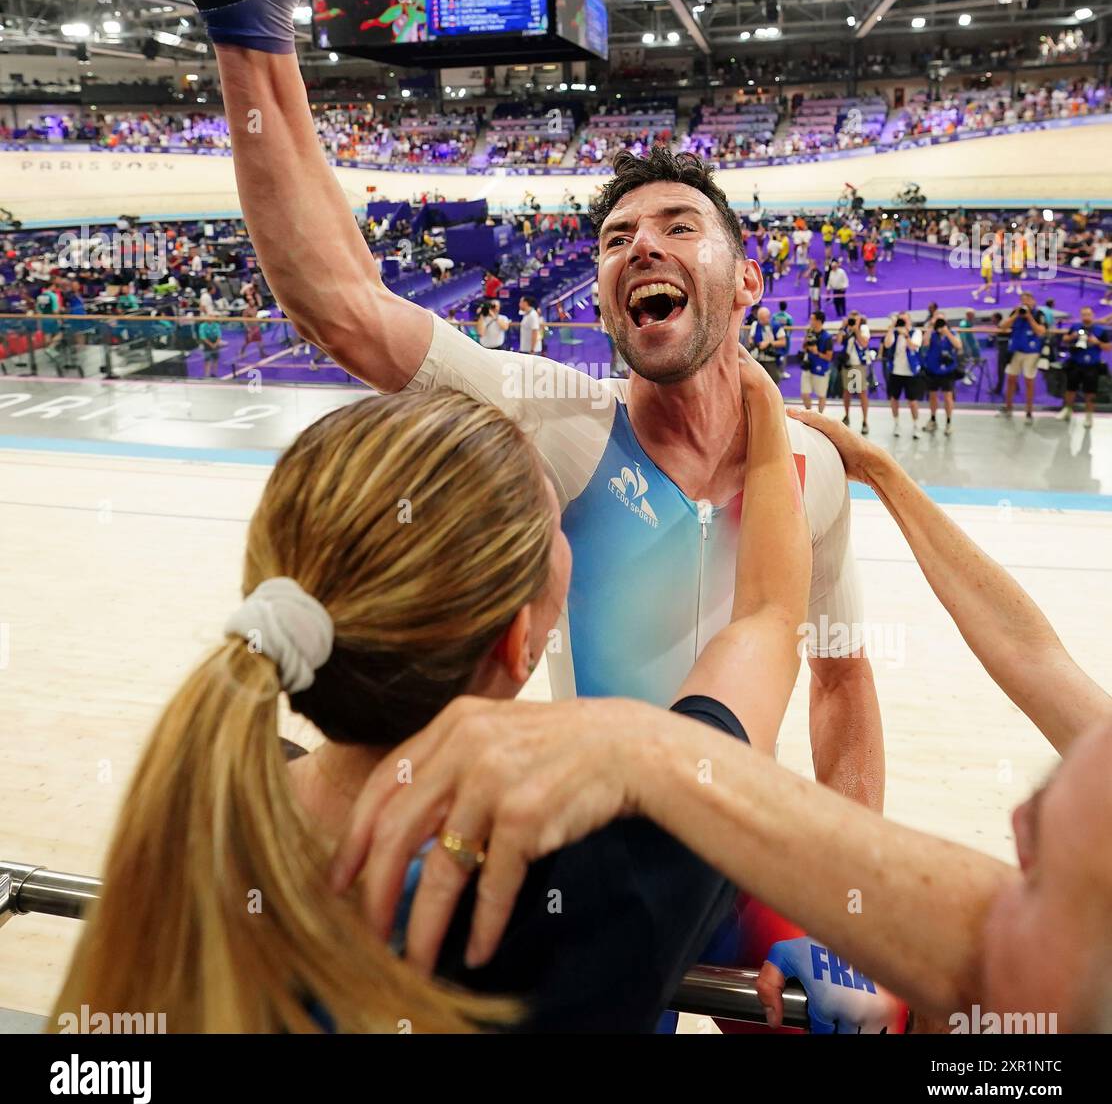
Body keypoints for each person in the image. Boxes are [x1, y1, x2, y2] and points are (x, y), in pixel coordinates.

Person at [176, 0, 884, 821]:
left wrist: (848, 894)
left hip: (738, 874)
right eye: (616, 238)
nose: (642, 245)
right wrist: (254, 41)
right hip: (592, 866)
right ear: (601, 294)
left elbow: (840, 680)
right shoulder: (561, 425)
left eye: (679, 224)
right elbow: (344, 308)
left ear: (749, 281)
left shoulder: (819, 472)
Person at [53, 376, 816, 1033]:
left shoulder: (217, 796)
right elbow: (767, 618)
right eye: (558, 527)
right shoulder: (606, 874)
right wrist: (767, 412)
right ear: (519, 644)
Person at [340, 411, 1112, 1036]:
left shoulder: (234, 809)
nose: (1014, 826)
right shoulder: (632, 874)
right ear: (520, 641)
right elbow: (775, 617)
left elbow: (348, 310)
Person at [1056, 307, 1110, 427]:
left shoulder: (1100, 330)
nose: (1086, 317)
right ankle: (1068, 410)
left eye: (1088, 314)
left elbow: (1108, 347)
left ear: (1093, 315)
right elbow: (1064, 340)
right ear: (1081, 316)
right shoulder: (1075, 327)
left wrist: (1097, 342)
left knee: (1090, 392)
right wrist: (1072, 337)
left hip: (1092, 365)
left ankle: (1089, 415)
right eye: (1084, 315)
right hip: (1076, 363)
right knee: (1070, 389)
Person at [998, 292, 1047, 423]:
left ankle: (1029, 412)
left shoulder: (1038, 314)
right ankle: (1008, 408)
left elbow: (1041, 332)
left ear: (1034, 301)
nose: (1025, 304)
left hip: (1031, 353)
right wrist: (1015, 315)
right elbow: (1002, 327)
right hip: (1015, 351)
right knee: (1010, 380)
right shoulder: (1016, 313)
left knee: (1029, 382)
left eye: (1028, 301)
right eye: (1023, 301)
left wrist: (1029, 317)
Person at [882, 313, 923, 439]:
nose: (903, 322)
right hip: (895, 371)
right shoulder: (894, 332)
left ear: (910, 321)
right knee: (894, 399)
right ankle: (897, 424)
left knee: (912, 402)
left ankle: (916, 425)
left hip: (911, 373)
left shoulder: (916, 332)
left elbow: (914, 347)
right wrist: (892, 328)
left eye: (905, 320)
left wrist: (905, 335)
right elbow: (887, 344)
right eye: (901, 320)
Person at [921, 316, 963, 435]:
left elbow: (958, 345)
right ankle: (933, 419)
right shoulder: (932, 334)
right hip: (932, 369)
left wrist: (947, 332)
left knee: (947, 397)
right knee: (933, 396)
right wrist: (930, 326)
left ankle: (949, 422)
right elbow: (925, 343)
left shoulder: (953, 333)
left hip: (947, 371)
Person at [838, 312, 871, 434]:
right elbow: (839, 341)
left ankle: (865, 421)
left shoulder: (863, 328)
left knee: (862, 392)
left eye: (855, 319)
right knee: (847, 391)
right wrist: (843, 327)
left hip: (859, 365)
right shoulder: (847, 329)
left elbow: (864, 343)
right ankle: (846, 416)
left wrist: (856, 329)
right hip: (848, 364)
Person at [799, 310, 834, 412]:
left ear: (818, 321)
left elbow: (829, 357)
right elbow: (803, 348)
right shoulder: (809, 333)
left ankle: (820, 416)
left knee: (821, 395)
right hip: (808, 366)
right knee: (804, 393)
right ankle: (809, 413)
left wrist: (817, 352)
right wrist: (805, 343)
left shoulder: (827, 337)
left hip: (821, 368)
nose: (810, 321)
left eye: (812, 319)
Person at [746, 305, 787, 386]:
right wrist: (752, 344)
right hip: (757, 359)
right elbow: (750, 337)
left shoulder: (776, 326)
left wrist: (769, 343)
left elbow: (783, 342)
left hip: (771, 359)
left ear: (768, 317)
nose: (760, 321)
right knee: (756, 383)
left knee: (773, 383)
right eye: (759, 318)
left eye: (763, 318)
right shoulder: (755, 324)